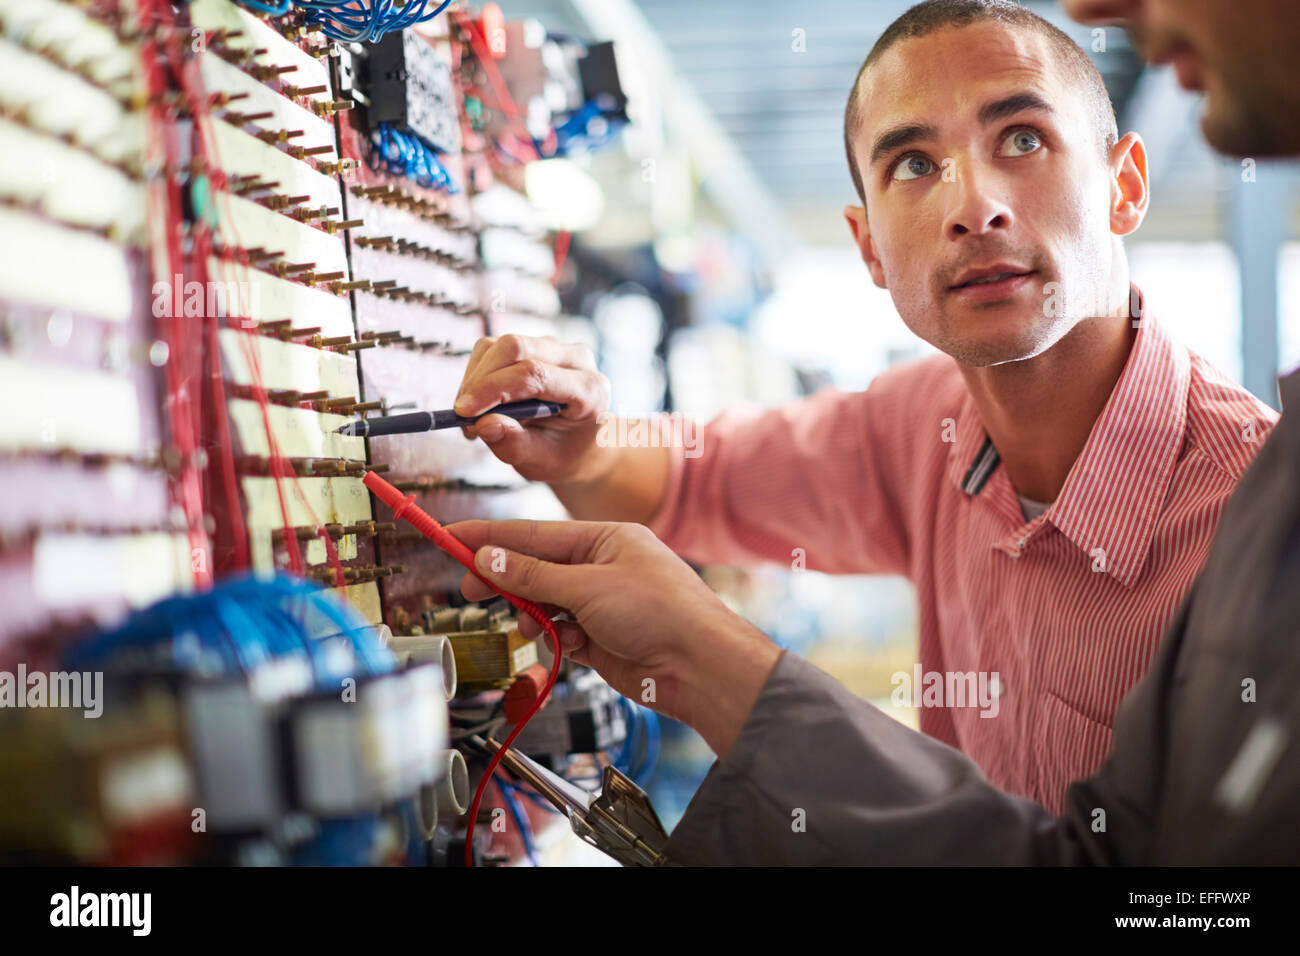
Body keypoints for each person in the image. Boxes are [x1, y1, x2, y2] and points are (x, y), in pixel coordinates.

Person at [446, 0, 1300, 864]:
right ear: (870, 252)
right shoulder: (924, 428)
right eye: (915, 163)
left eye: (1022, 139)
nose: (974, 207)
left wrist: (704, 652)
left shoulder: (1253, 533)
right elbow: (691, 481)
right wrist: (582, 443)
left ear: (1125, 185)